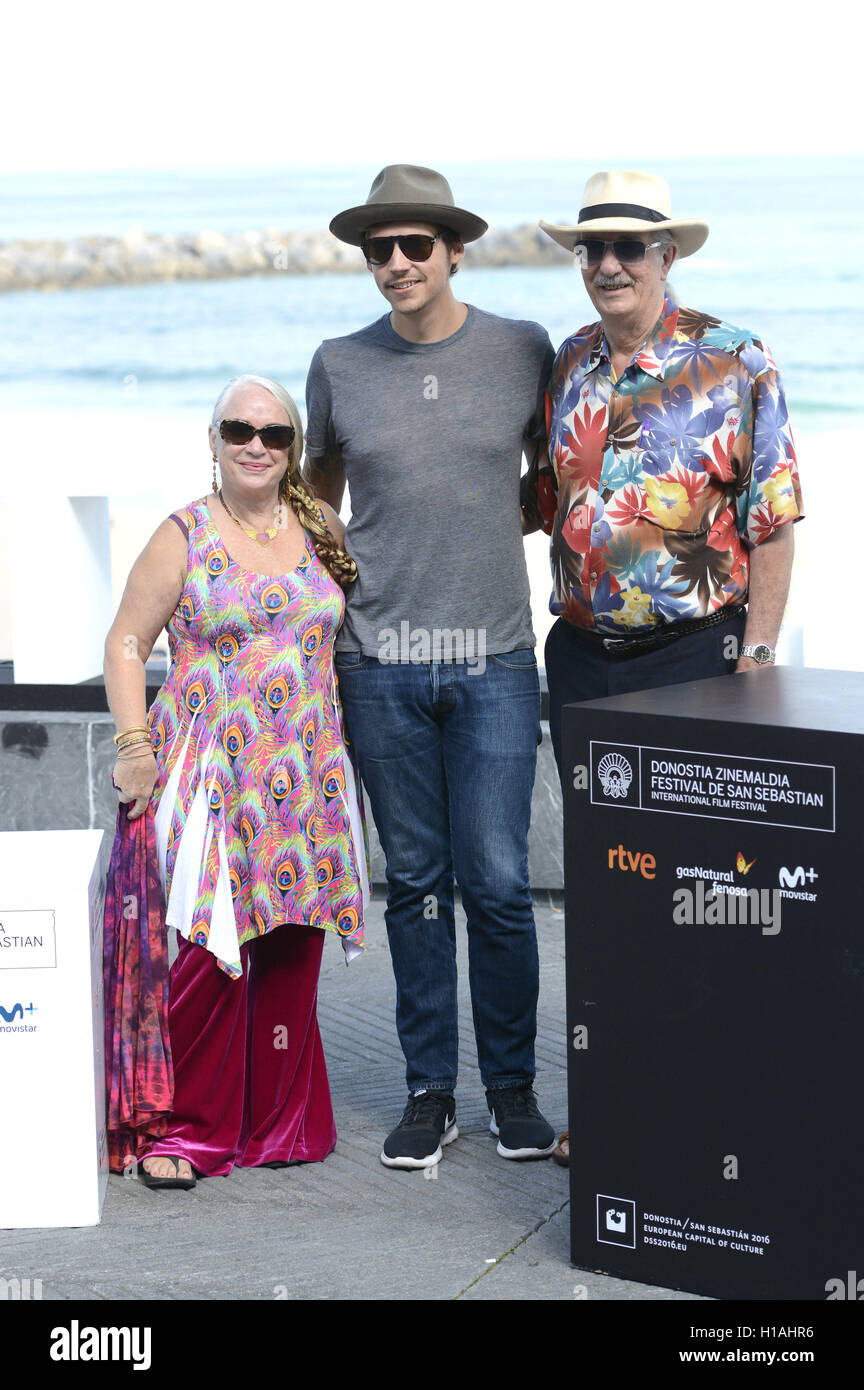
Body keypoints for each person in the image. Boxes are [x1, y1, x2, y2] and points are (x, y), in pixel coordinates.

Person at [523, 170, 804, 1163]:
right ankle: (609, 1101)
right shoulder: (565, 368)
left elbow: (772, 527)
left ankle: (716, 1103)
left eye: (626, 249)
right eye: (590, 249)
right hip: (586, 663)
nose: (606, 265)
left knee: (704, 888)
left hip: (697, 660)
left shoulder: (736, 360)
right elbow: (537, 499)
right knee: (606, 893)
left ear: (666, 257)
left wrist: (757, 661)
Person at [304, 164, 558, 1168]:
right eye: (380, 250)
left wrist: (491, 533)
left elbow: (558, 471)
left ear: (456, 249)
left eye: (416, 245)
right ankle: (428, 1093)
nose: (398, 263)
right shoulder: (338, 362)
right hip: (377, 661)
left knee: (497, 881)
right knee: (413, 881)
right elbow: (316, 487)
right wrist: (354, 575)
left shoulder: (519, 349)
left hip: (495, 655)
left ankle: (513, 1089)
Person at [103, 374, 367, 1187]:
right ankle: (187, 1130)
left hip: (307, 771)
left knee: (291, 938)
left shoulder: (320, 523)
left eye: (276, 434)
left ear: (293, 449)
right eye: (238, 429)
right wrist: (134, 743)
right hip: (211, 770)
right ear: (212, 440)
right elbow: (123, 642)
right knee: (207, 947)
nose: (256, 444)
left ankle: (277, 1123)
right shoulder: (182, 533)